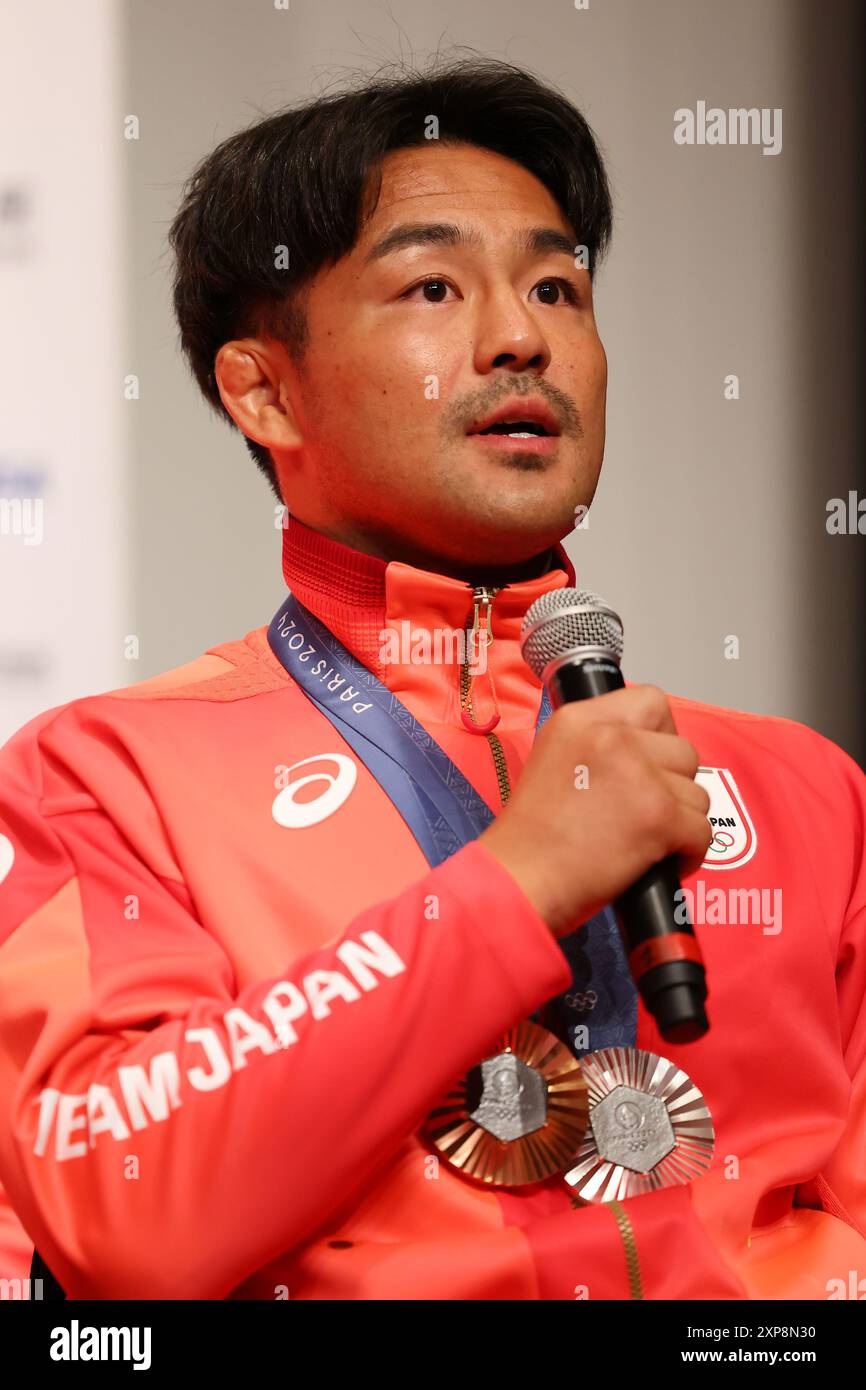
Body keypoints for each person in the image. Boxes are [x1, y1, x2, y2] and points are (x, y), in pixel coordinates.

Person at [0, 57, 864, 1301]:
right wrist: (517, 882)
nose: (521, 335)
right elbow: (120, 1214)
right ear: (264, 391)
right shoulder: (109, 774)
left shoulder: (803, 788)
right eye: (433, 284)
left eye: (558, 286)